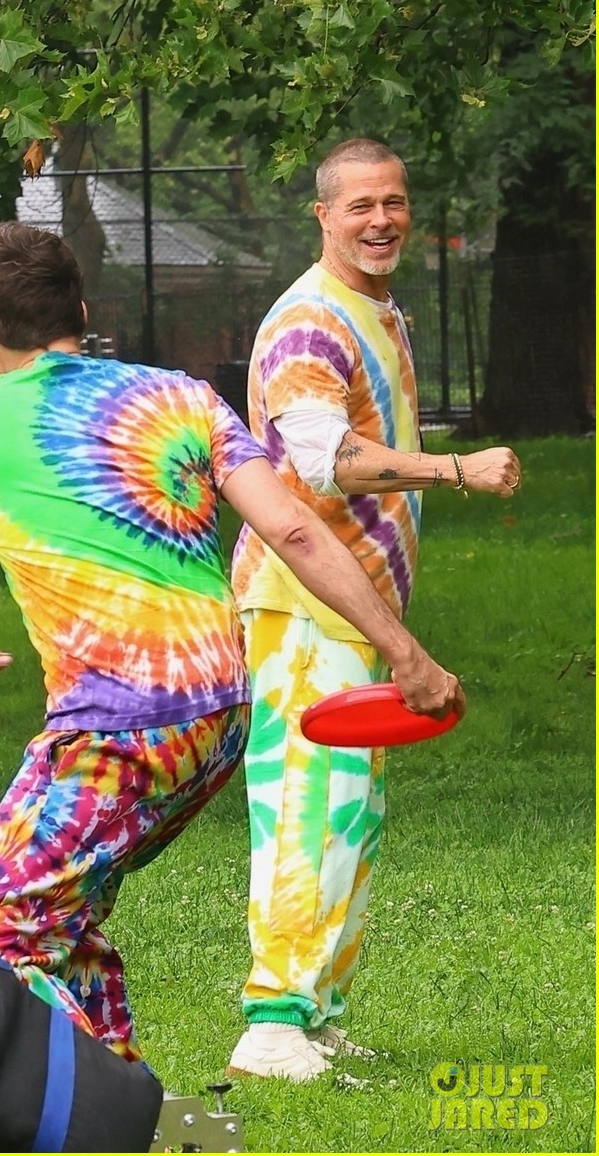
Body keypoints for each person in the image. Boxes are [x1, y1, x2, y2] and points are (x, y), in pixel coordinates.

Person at [0, 220, 464, 1072]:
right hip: (220, 715)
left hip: (120, 729)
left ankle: (80, 1105)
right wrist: (404, 651)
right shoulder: (177, 396)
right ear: (83, 313)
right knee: (56, 919)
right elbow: (291, 527)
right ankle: (126, 1099)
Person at [226, 138, 522, 1082]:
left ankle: (314, 1010)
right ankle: (270, 1023)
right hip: (303, 605)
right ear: (322, 216)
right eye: (359, 205)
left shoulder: (372, 307)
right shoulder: (311, 321)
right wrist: (453, 469)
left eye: (393, 202)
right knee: (306, 807)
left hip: (350, 609)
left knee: (348, 813)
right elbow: (319, 461)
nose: (382, 219)